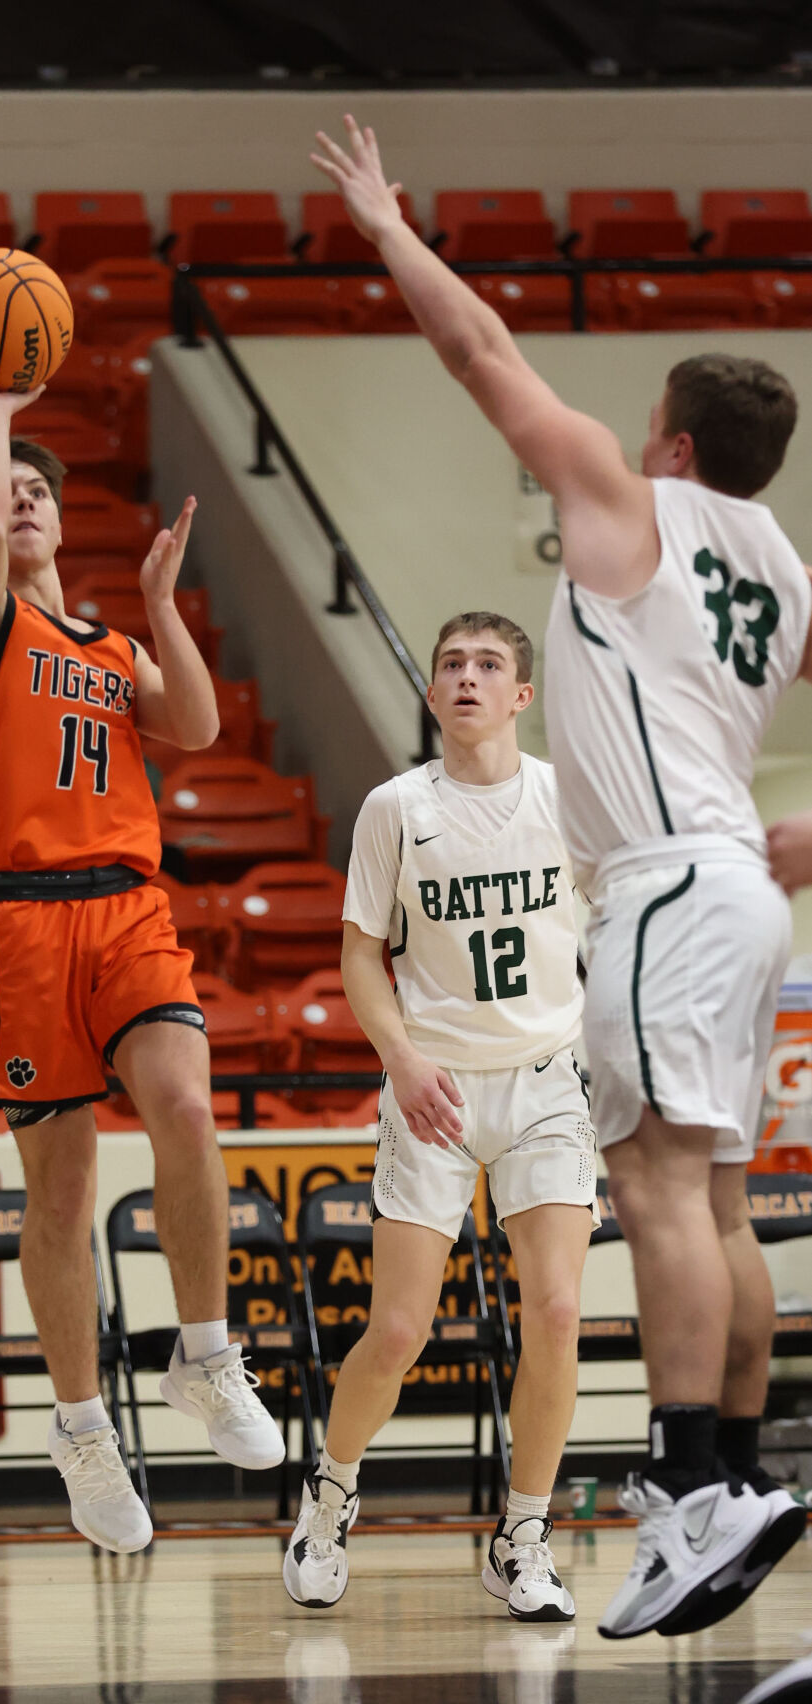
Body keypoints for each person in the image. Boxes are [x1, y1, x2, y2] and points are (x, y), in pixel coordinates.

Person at [312, 114, 811, 1639]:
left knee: (656, 1184)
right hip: (740, 887)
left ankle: (681, 1494)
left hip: (661, 887)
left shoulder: (628, 505)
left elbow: (479, 357)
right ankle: (740, 1462)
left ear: (667, 440)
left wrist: (390, 230)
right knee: (719, 1196)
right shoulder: (784, 568)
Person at [0, 366, 284, 1554]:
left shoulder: (106, 642)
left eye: (41, 488)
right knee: (63, 1195)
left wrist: (161, 604)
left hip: (129, 908)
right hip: (21, 924)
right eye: (9, 489)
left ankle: (203, 1352)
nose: (22, 500)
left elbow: (194, 727)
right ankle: (80, 1426)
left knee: (185, 1110)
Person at [283, 612, 597, 1620]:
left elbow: (622, 919)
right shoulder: (394, 809)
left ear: (520, 695)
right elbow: (356, 959)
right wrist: (402, 1058)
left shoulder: (566, 798)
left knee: (554, 1312)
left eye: (487, 665)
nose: (465, 676)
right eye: (450, 663)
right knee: (399, 1327)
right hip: (434, 1088)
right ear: (431, 694)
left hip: (547, 1078)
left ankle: (522, 1536)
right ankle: (328, 1498)